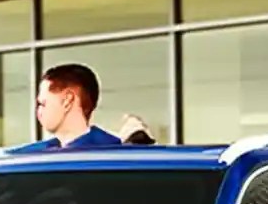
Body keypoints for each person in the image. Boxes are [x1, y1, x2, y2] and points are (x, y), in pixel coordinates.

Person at [11, 64, 158, 152]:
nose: (38, 113)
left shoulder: (108, 154)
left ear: (67, 100)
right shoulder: (36, 153)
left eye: (43, 104)